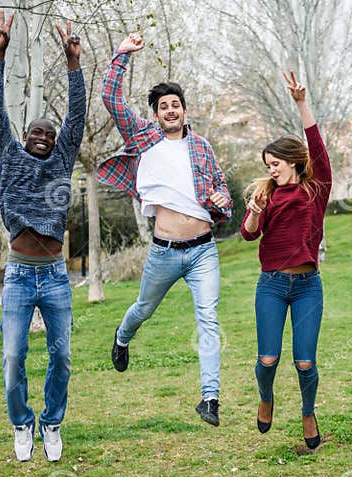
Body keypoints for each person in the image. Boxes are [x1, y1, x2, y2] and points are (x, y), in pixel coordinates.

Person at [96, 33, 232, 427]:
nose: (170, 110)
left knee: (208, 318)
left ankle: (210, 398)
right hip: (165, 251)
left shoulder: (202, 146)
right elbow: (111, 99)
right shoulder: (143, 137)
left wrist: (222, 199)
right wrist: (122, 55)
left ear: (185, 111)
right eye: (163, 106)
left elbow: (220, 184)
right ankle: (122, 338)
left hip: (204, 249)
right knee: (144, 308)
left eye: (176, 105)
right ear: (155, 114)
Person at [0, 12, 86, 462]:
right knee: (12, 360)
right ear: (25, 136)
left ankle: (52, 423)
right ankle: (22, 424)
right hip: (19, 276)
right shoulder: (9, 155)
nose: (44, 137)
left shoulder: (62, 158)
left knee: (62, 358)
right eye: (36, 132)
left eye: (50, 132)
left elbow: (78, 117)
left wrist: (73, 64)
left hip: (56, 277)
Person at [241, 71, 332, 450]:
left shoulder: (316, 190)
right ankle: (266, 397)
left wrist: (301, 103)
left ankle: (308, 413)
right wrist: (254, 212)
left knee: (305, 363)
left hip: (308, 286)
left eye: (275, 163)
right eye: (267, 165)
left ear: (293, 162)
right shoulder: (267, 195)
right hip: (272, 285)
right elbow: (248, 234)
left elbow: (319, 149)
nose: (271, 169)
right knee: (267, 359)